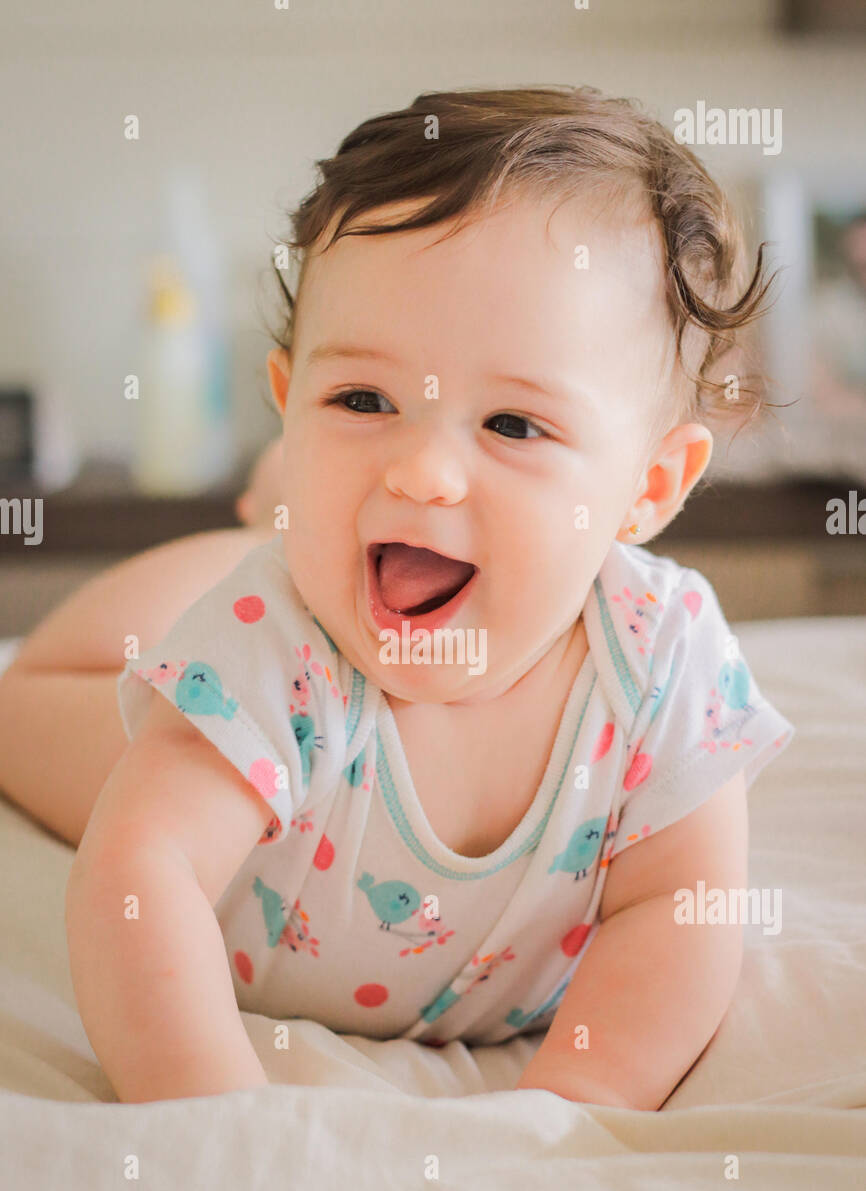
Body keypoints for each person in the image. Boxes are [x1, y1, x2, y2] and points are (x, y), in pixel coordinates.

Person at [0, 86, 793, 1105]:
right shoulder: (268, 645)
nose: (422, 470)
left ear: (645, 487)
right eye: (360, 401)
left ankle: (289, 509)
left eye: (511, 424)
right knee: (25, 705)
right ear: (289, 404)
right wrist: (211, 1113)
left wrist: (569, 1109)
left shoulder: (659, 662)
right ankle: (269, 525)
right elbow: (137, 872)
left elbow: (678, 908)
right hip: (260, 711)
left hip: (338, 587)